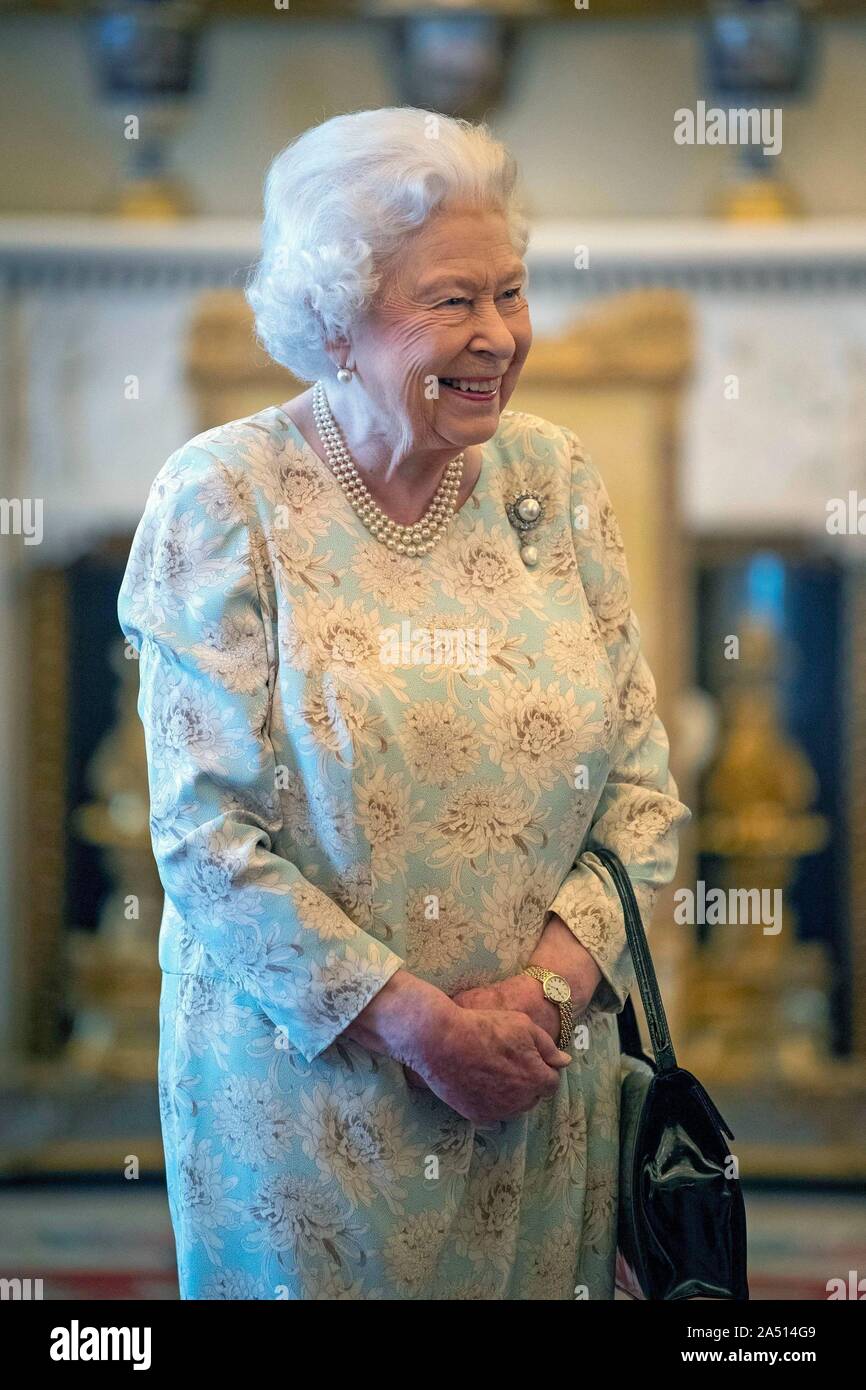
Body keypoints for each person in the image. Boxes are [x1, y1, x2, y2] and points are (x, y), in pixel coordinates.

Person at [117, 105, 691, 1300]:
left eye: (511, 293)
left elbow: (641, 795)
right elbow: (206, 840)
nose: (497, 337)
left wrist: (533, 1001)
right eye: (451, 301)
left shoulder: (554, 480)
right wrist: (422, 1025)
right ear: (338, 317)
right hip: (305, 1107)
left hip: (538, 1091)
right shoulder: (220, 501)